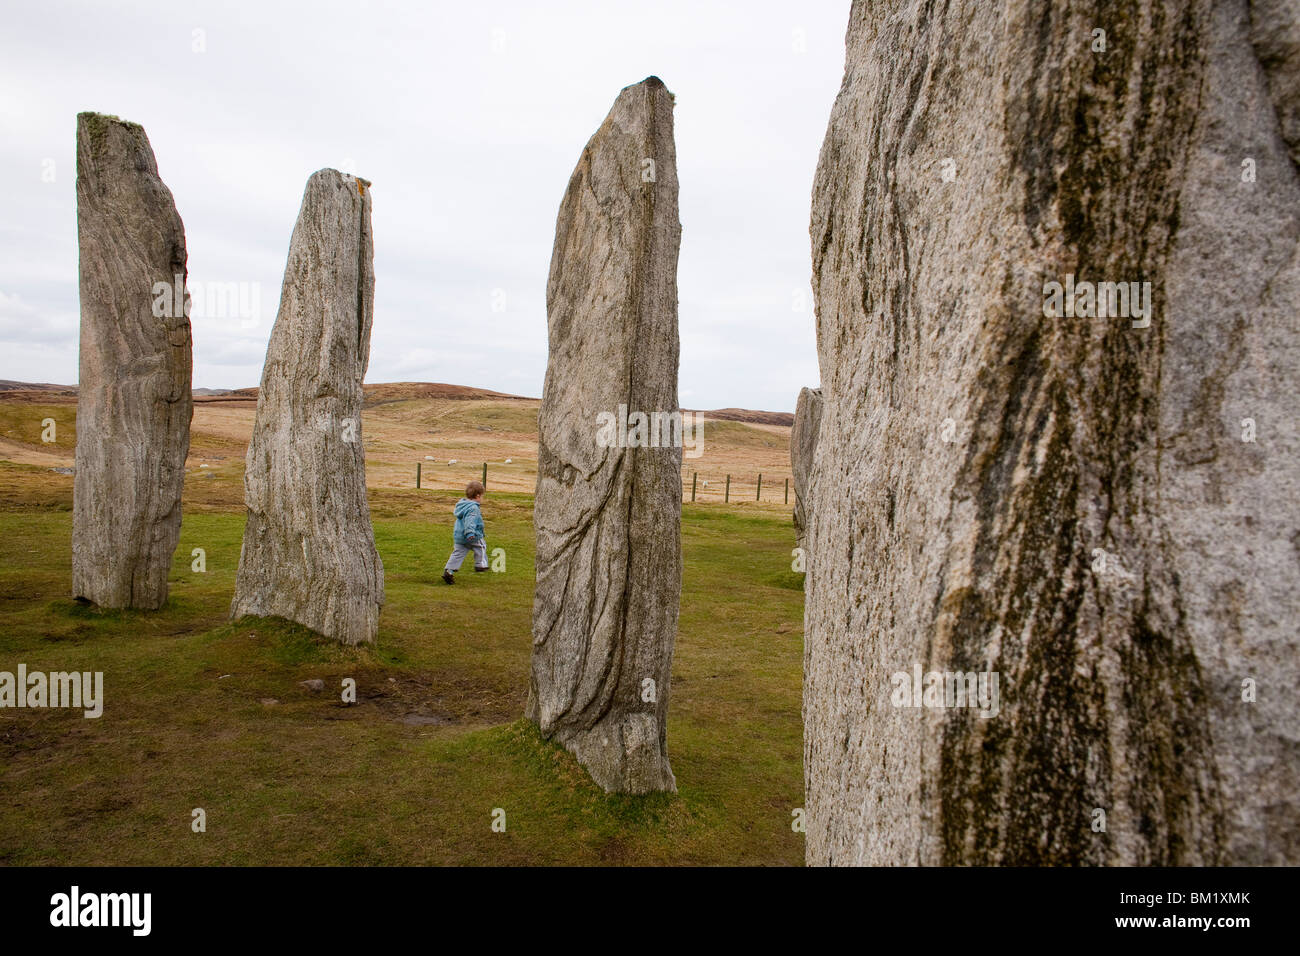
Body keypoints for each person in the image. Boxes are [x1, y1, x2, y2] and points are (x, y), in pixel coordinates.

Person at [442, 480, 488, 584]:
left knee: (457, 554)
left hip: (459, 536)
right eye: (482, 496)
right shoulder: (473, 508)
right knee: (481, 546)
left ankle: (449, 571)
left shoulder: (462, 505)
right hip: (471, 535)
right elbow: (470, 521)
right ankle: (481, 565)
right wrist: (470, 533)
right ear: (477, 496)